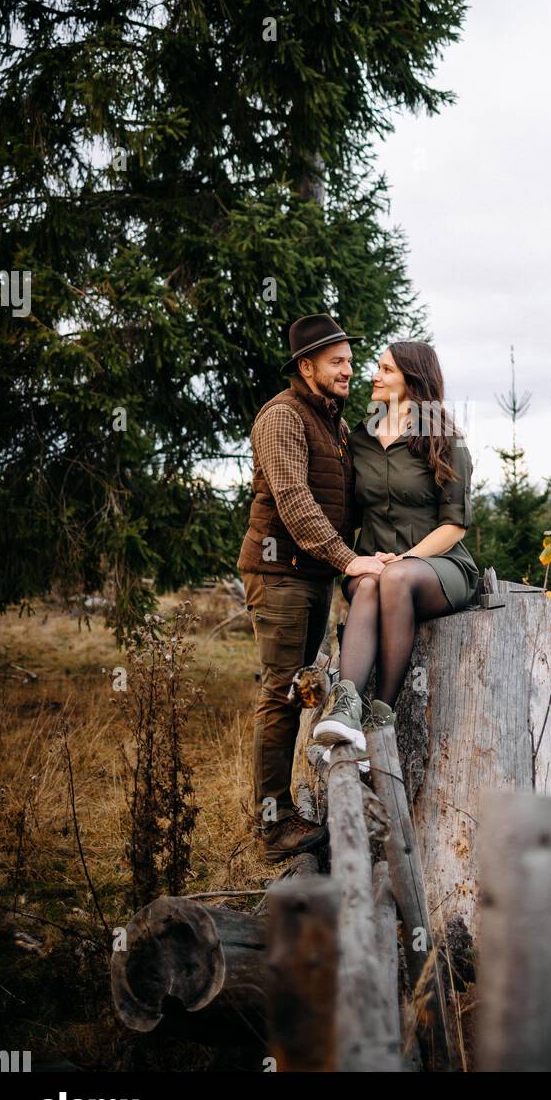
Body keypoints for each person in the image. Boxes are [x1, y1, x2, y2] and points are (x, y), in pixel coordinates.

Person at [236, 313, 385, 863]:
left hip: (311, 574)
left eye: (350, 360)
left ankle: (290, 810)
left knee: (298, 689)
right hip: (280, 574)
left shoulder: (334, 423)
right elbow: (296, 503)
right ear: (307, 366)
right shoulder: (282, 417)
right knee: (279, 693)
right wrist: (351, 561)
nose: (349, 370)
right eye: (337, 362)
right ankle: (273, 826)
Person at [313, 340, 479, 752]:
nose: (374, 375)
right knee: (371, 582)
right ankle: (347, 708)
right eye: (378, 367)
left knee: (395, 576)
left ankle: (379, 717)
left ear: (412, 380)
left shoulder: (445, 441)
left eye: (386, 370)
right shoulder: (361, 440)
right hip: (374, 562)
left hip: (438, 568)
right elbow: (345, 509)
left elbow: (454, 525)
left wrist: (404, 558)